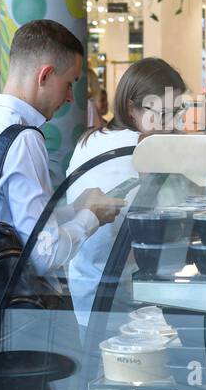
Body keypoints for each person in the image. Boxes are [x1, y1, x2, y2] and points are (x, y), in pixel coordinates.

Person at [0, 21, 120, 283]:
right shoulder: (23, 140)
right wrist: (91, 218)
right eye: (69, 83)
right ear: (44, 75)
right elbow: (44, 254)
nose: (70, 97)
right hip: (17, 310)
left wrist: (76, 210)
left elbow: (14, 226)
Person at [66, 58, 187, 323]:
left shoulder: (92, 138)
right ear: (132, 109)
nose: (172, 123)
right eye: (163, 113)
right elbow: (176, 218)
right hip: (119, 294)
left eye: (178, 111)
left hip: (88, 286)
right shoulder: (143, 149)